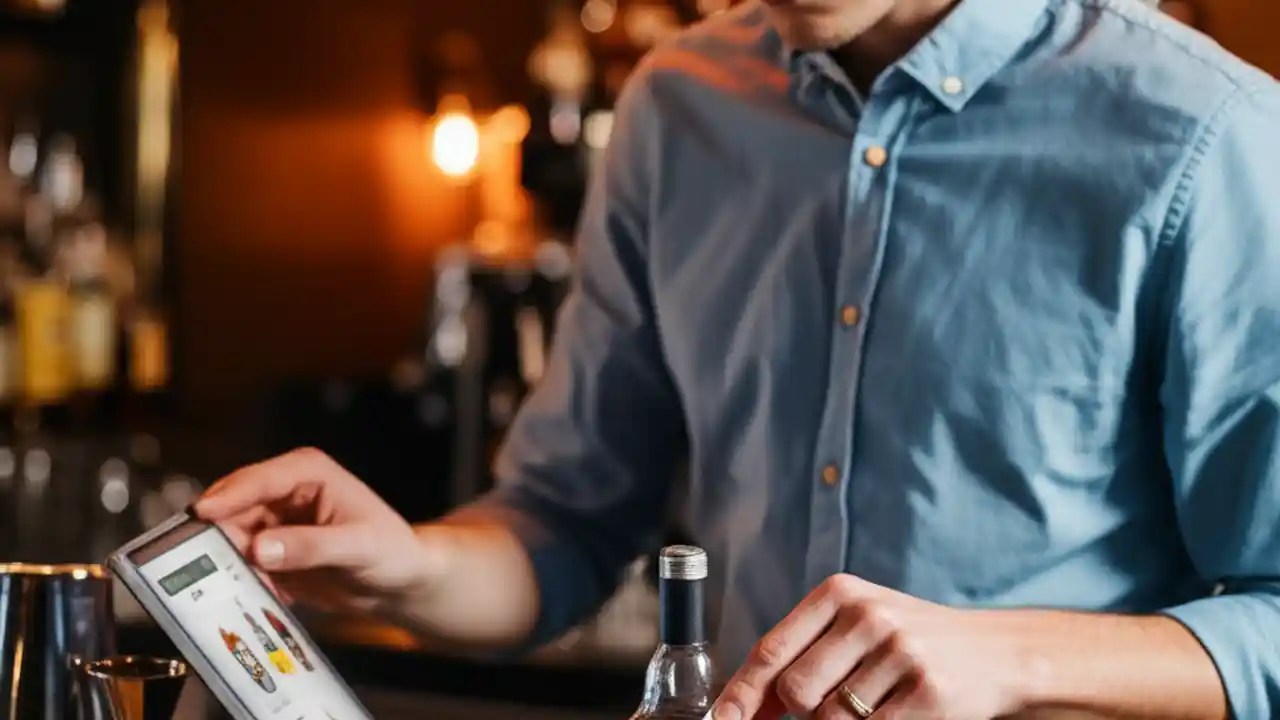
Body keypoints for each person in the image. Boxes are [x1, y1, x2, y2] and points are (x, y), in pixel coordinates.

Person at [195, 0, 1280, 717]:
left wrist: (1005, 657)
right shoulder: (677, 111)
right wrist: (412, 565)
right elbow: (563, 529)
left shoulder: (1203, 132)